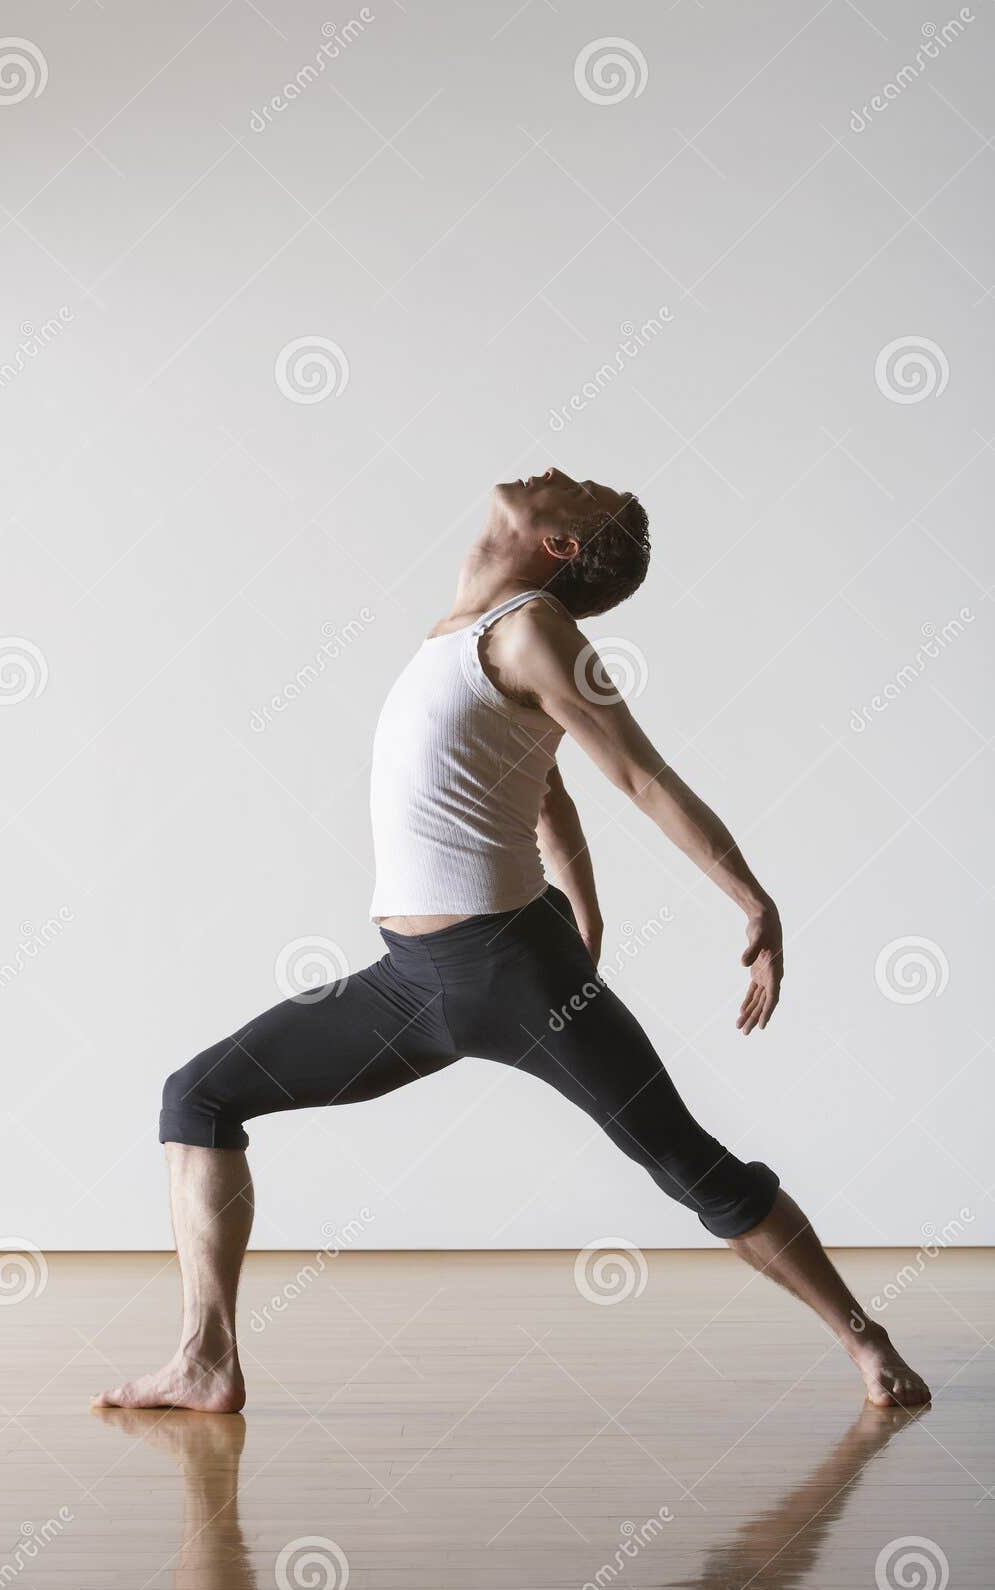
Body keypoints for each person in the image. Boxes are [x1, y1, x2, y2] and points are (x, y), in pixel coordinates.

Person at [95, 468, 929, 1414]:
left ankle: (866, 1342)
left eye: (573, 486)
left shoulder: (534, 629)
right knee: (198, 1097)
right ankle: (204, 1360)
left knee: (685, 1162)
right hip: (407, 984)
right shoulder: (456, 640)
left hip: (512, 970)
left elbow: (642, 778)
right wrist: (588, 906)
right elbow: (547, 791)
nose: (551, 473)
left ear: (562, 544)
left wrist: (753, 900)